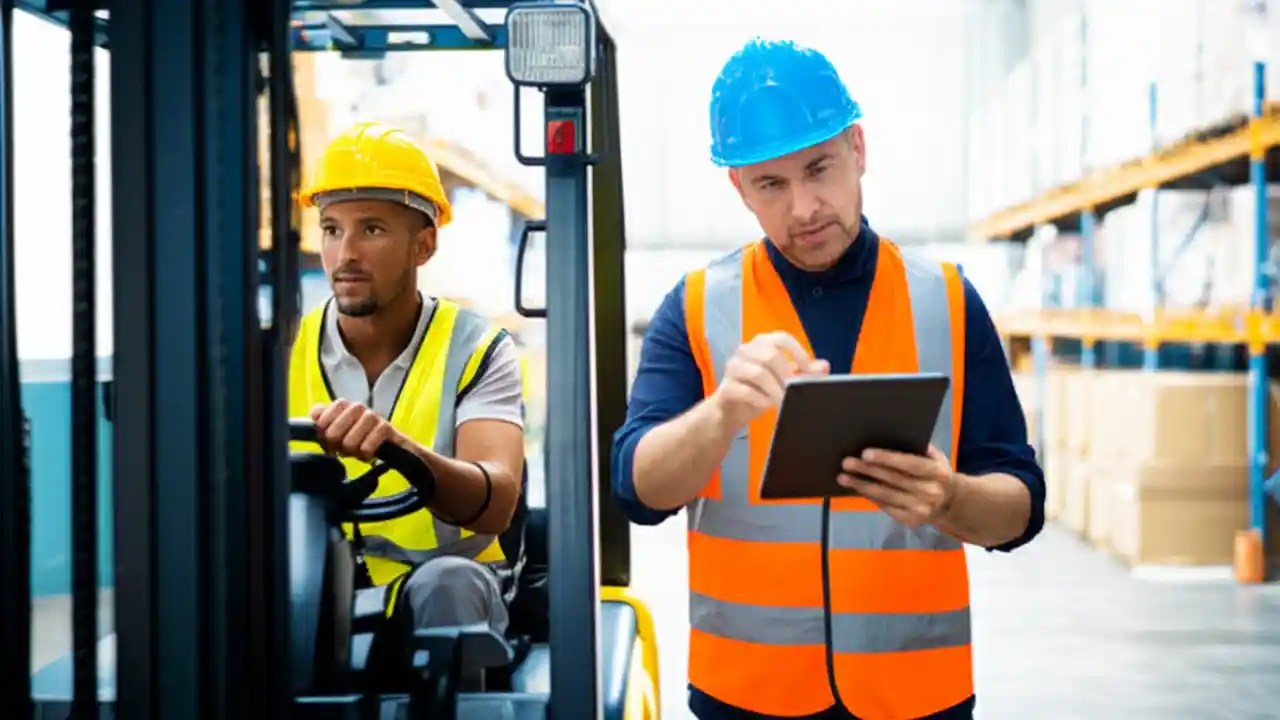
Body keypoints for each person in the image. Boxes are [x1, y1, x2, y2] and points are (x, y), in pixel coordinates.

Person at [610, 38, 1045, 720]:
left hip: (917, 695)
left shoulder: (948, 301)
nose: (804, 206)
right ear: (739, 189)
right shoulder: (696, 307)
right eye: (771, 185)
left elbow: (1020, 507)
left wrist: (951, 497)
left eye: (820, 169)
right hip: (748, 693)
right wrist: (721, 412)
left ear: (858, 150)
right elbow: (637, 489)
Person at [288, 120, 526, 641]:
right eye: (332, 229)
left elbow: (497, 503)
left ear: (423, 246)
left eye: (371, 229)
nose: (346, 253)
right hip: (321, 577)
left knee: (448, 584)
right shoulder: (285, 347)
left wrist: (398, 446)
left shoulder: (478, 349)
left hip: (448, 578)